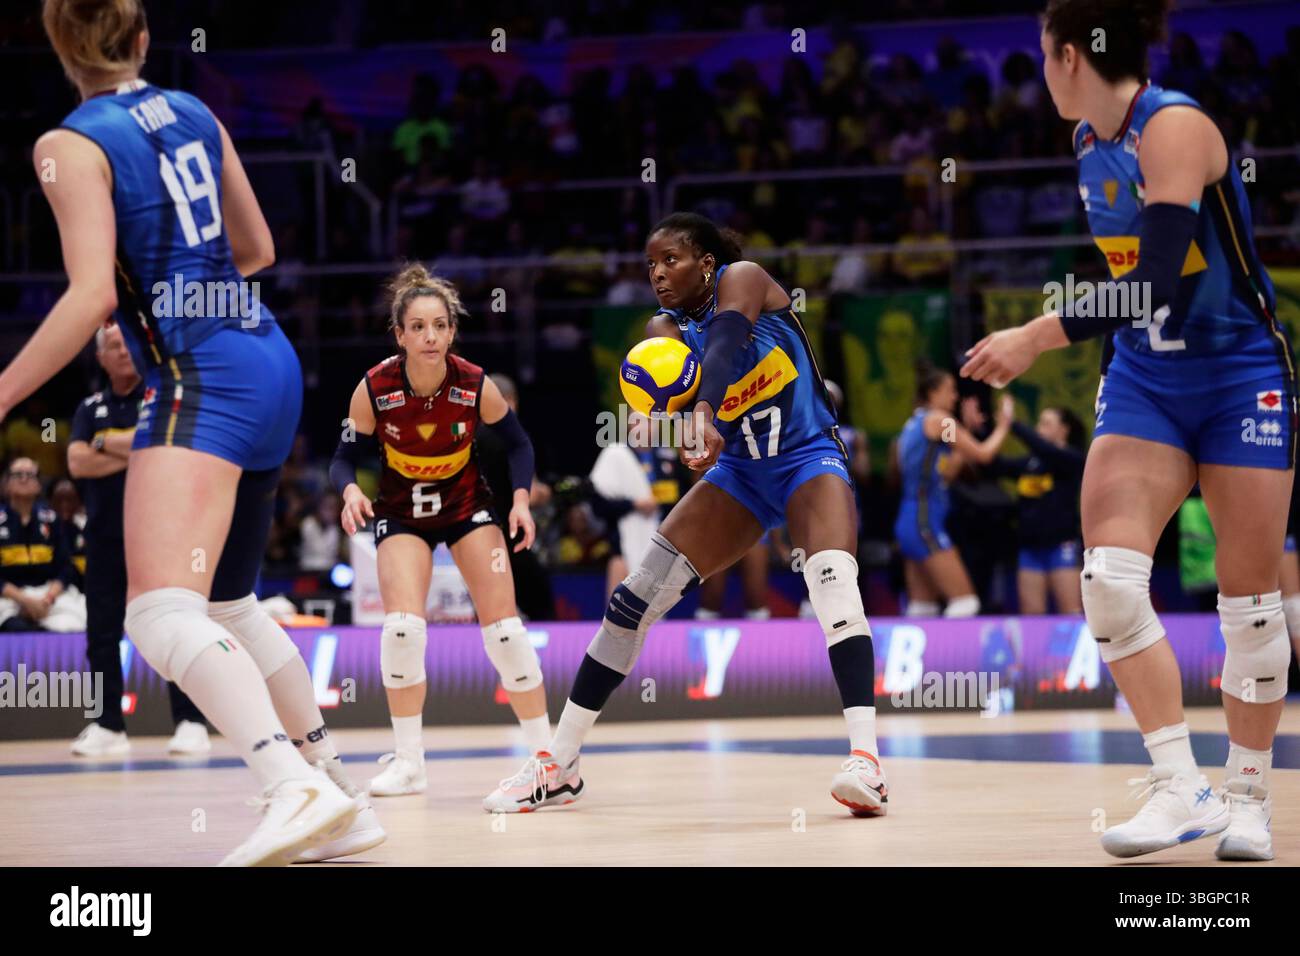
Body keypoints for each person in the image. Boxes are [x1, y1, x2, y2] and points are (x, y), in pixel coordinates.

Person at [0, 0, 382, 866]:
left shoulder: (69, 143)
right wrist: (166, 301)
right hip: (267, 354)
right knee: (227, 604)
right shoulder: (197, 112)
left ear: (60, 46)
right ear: (141, 40)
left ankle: (289, 787)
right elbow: (256, 248)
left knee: (158, 612)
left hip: (205, 374)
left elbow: (89, 294)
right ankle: (337, 793)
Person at [963, 0, 1294, 861]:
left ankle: (1250, 795)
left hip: (1236, 374)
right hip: (1147, 378)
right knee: (1109, 583)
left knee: (1250, 604)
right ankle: (1179, 785)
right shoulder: (1086, 144)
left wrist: (1035, 336)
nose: (1040, 72)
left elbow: (1153, 283)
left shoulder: (1176, 127)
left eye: (1043, 55)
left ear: (1070, 55)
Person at [485, 212, 888, 817]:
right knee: (633, 598)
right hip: (741, 476)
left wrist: (700, 411)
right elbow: (667, 368)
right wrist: (669, 420)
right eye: (650, 264)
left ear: (706, 262)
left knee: (831, 580)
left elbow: (726, 341)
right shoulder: (665, 327)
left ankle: (868, 763)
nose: (658, 273)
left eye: (671, 259)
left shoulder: (746, 278)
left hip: (807, 455)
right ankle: (558, 764)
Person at [331, 265, 552, 797]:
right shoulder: (374, 388)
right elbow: (343, 457)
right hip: (401, 512)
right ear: (400, 334)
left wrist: (520, 500)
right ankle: (410, 762)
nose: (430, 336)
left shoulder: (476, 384)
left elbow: (520, 445)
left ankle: (548, 759)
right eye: (418, 327)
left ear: (452, 332)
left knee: (505, 631)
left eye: (439, 326)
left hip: (466, 506)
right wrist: (349, 490)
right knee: (402, 629)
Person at [66, 322, 210, 757]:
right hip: (105, 540)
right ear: (101, 358)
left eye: (127, 342)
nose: (123, 350)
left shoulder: (162, 396)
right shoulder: (88, 407)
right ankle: (108, 725)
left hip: (161, 536)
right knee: (101, 636)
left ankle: (190, 721)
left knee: (173, 627)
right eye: (113, 345)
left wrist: (107, 443)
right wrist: (132, 448)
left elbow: (164, 449)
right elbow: (76, 463)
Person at [893, 362, 1013, 617]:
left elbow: (947, 471)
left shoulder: (915, 422)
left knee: (921, 608)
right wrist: (1004, 425)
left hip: (911, 517)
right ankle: (958, 658)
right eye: (950, 389)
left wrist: (966, 429)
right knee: (965, 602)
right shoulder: (939, 420)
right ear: (933, 392)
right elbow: (982, 455)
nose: (955, 396)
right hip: (925, 519)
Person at [989, 406, 1087, 614]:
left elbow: (1045, 449)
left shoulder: (1071, 458)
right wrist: (975, 431)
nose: (1038, 429)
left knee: (1070, 611)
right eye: (1039, 423)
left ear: (1064, 430)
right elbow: (992, 464)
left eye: (1046, 423)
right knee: (1032, 615)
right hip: (1030, 549)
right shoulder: (1030, 463)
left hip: (1061, 546)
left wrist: (1013, 424)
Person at [474, 373, 555, 620]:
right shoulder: (509, 438)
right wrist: (544, 493)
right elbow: (527, 493)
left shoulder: (470, 435)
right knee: (540, 608)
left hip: (474, 539)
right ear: (510, 401)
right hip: (510, 538)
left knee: (489, 611)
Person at [0, 458, 84, 632]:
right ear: (6, 484)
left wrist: (47, 599)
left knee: (78, 621)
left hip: (47, 595)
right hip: (8, 597)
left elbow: (66, 569)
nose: (24, 479)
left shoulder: (51, 519)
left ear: (38, 484)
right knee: (16, 627)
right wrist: (25, 601)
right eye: (18, 475)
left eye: (30, 475)